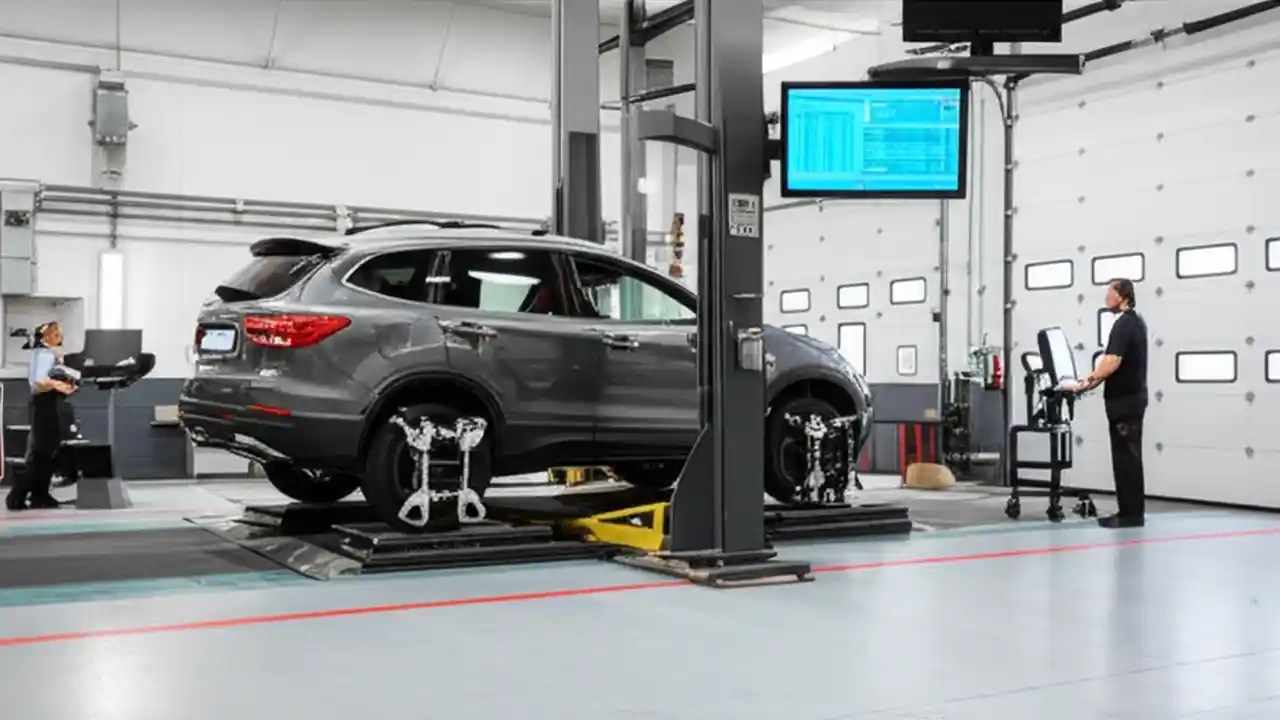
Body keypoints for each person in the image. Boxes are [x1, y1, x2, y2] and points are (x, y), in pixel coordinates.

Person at [1076, 278, 1149, 528]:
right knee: (1130, 457)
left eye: (1110, 292)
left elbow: (1111, 362)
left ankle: (1129, 515)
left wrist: (1085, 382)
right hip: (1133, 399)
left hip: (1124, 402)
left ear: (1122, 296)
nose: (1106, 297)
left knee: (1125, 459)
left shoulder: (1123, 325)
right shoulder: (1136, 322)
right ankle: (1132, 512)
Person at [4, 321, 76, 511]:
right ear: (47, 336)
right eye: (56, 335)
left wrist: (66, 387)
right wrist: (57, 385)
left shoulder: (53, 355)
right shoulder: (42, 354)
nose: (59, 339)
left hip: (54, 404)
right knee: (41, 453)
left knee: (50, 453)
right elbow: (38, 383)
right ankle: (17, 495)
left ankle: (40, 494)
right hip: (44, 406)